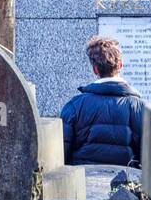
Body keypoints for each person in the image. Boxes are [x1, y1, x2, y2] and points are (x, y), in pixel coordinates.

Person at [60, 35, 143, 166]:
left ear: (95, 69)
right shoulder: (139, 107)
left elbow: (61, 154)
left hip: (83, 181)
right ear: (120, 65)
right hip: (127, 181)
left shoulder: (75, 106)